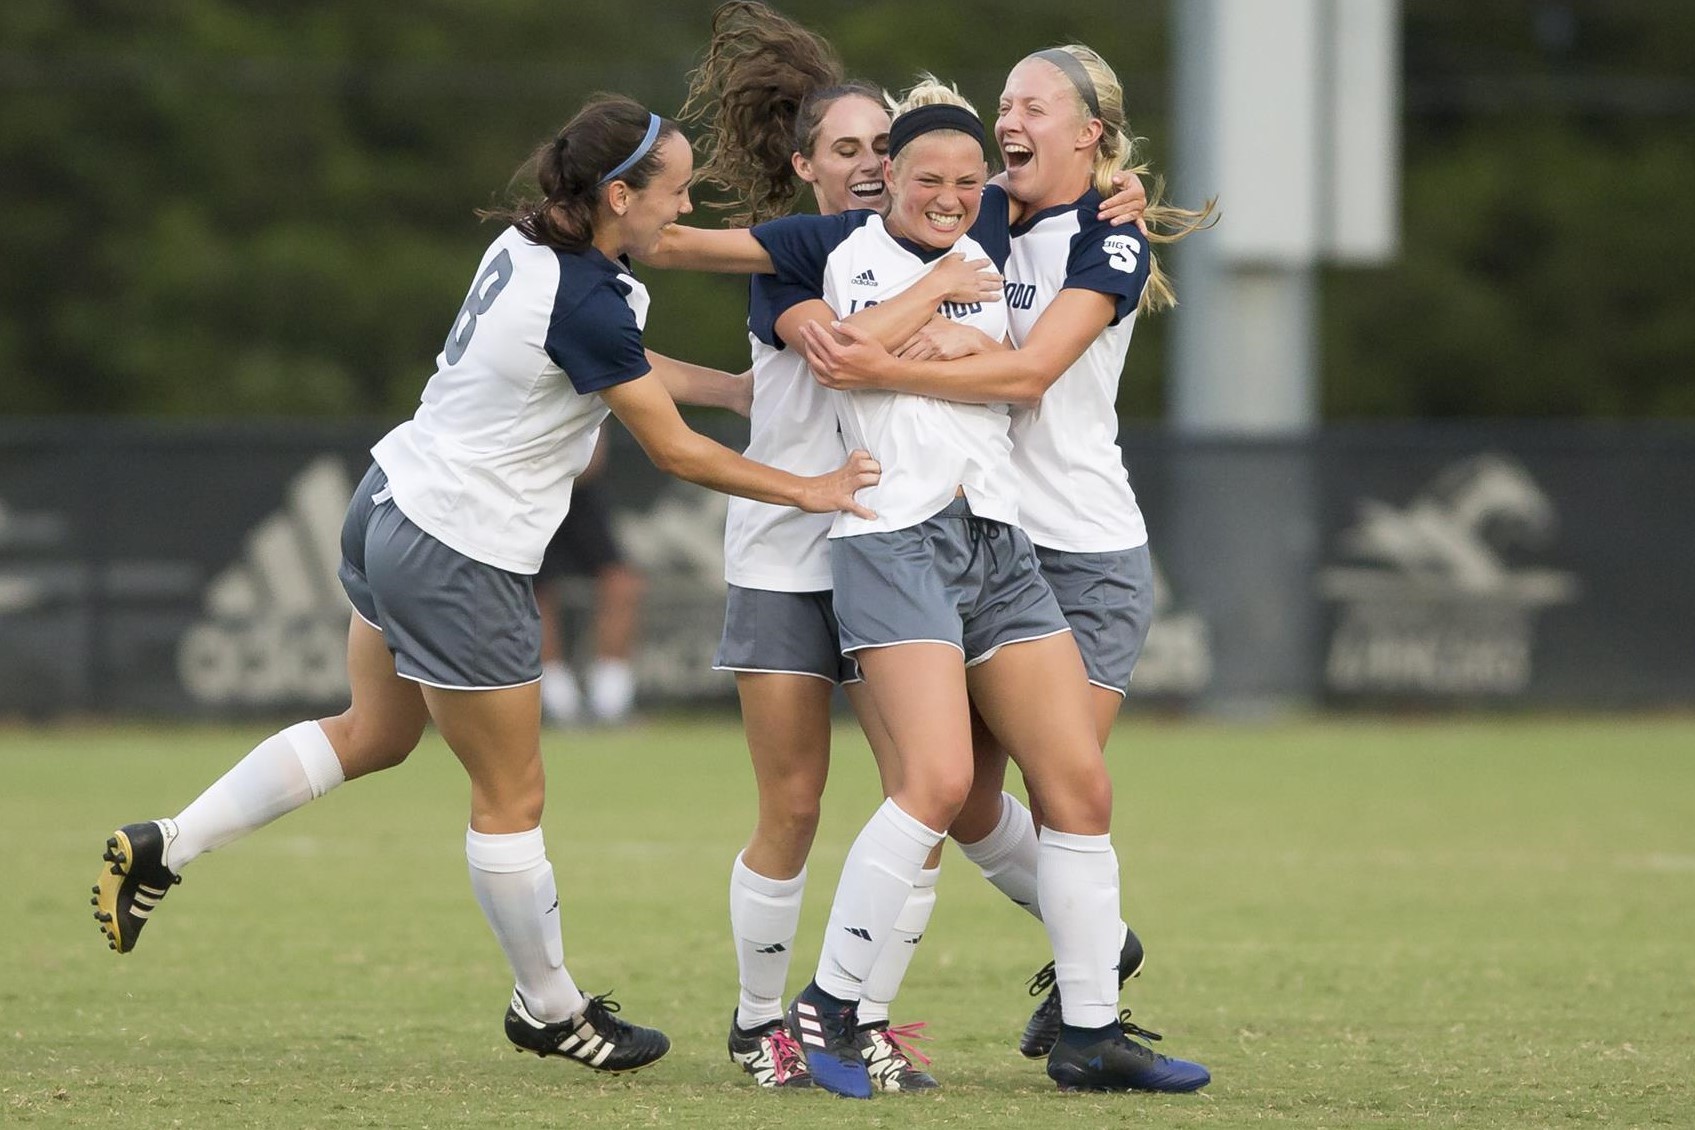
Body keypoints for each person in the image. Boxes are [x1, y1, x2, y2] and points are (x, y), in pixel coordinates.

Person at [90, 94, 879, 1076]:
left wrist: (728, 387)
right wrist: (813, 487)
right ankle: (550, 1006)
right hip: (457, 551)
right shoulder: (589, 298)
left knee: (372, 734)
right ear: (620, 195)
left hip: (388, 505)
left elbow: (613, 364)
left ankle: (166, 841)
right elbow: (671, 451)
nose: (686, 212)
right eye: (676, 193)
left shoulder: (536, 248)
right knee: (514, 796)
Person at [737, 74, 1209, 1099]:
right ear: (884, 179)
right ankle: (829, 1004)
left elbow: (1016, 349)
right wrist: (937, 308)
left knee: (1078, 784)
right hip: (897, 540)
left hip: (1000, 542)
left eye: (967, 178)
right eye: (923, 175)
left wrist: (990, 305)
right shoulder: (843, 255)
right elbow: (848, 357)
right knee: (941, 782)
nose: (952, 192)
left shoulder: (990, 236)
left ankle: (1090, 1031)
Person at [670, 1, 998, 1091]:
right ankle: (763, 1019)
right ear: (806, 163)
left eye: (878, 147)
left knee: (926, 795)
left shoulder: (924, 240)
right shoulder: (793, 265)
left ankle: (859, 1016)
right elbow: (842, 349)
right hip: (785, 553)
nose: (866, 165)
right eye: (845, 148)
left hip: (889, 545)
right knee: (796, 801)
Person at [534, 430, 645, 726]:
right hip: (528, 493)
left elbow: (594, 458)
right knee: (536, 591)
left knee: (621, 583)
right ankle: (556, 698)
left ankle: (610, 699)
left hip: (581, 495)